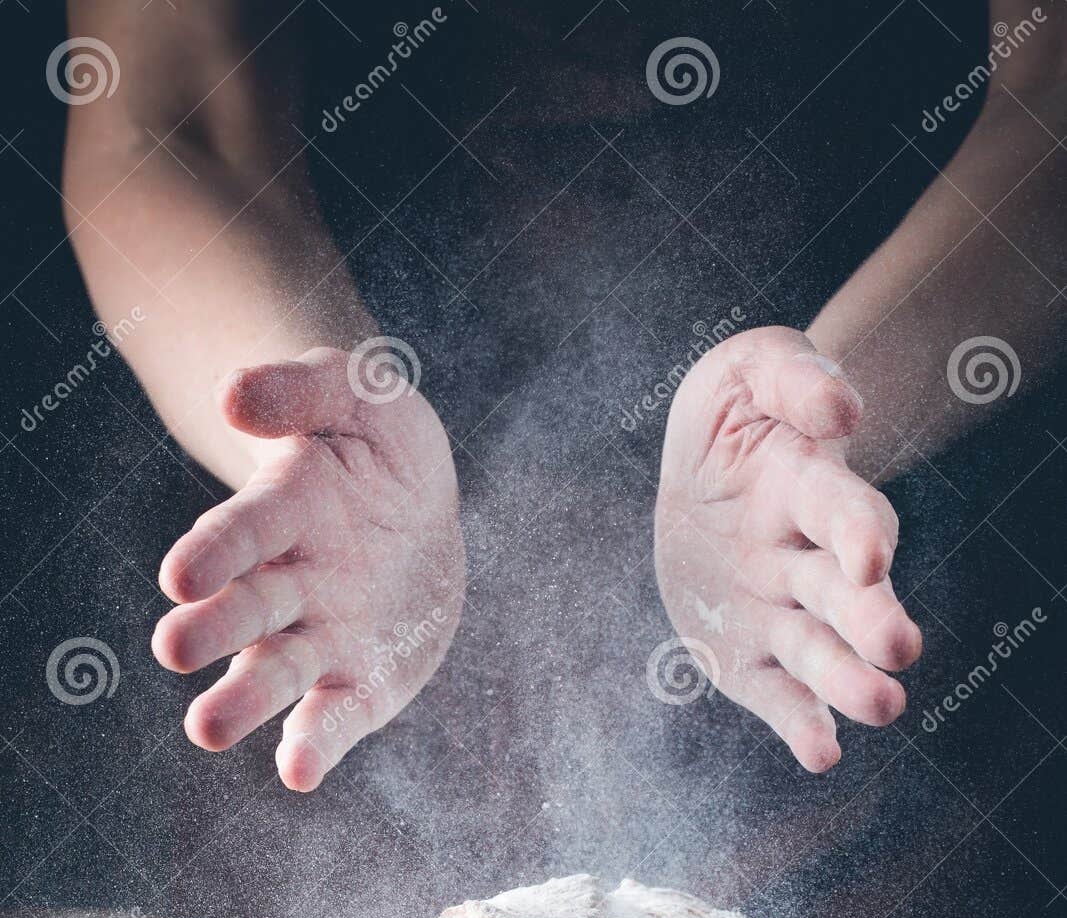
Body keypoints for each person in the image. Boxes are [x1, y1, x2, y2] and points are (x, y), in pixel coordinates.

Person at [60, 0, 1063, 792]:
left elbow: (1051, 90)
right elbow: (168, 121)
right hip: (329, 573)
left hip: (849, 553)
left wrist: (832, 402)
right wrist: (315, 427)